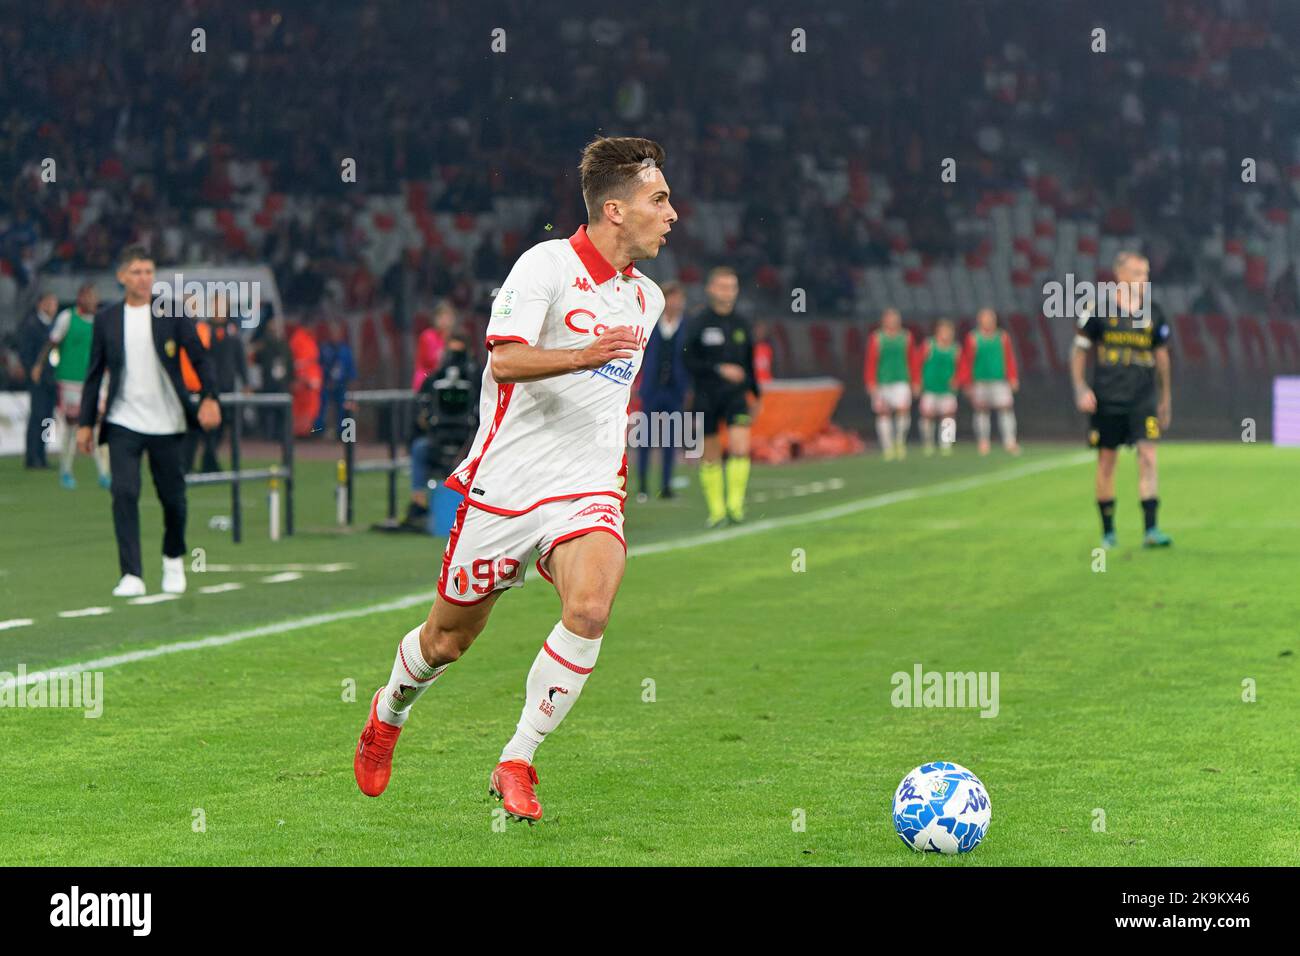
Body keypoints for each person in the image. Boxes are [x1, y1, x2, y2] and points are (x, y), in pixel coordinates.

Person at [353, 136, 675, 824]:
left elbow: (610, 401)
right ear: (614, 210)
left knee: (590, 608)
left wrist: (612, 478)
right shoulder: (545, 266)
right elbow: (505, 363)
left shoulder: (647, 299)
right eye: (659, 199)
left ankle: (518, 758)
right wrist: (583, 353)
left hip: (586, 489)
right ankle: (387, 713)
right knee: (448, 641)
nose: (672, 213)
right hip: (506, 487)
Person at [77, 245, 222, 597]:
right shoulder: (107, 319)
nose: (144, 278)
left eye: (149, 271)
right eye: (137, 272)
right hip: (123, 419)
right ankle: (131, 574)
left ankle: (173, 559)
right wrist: (85, 423)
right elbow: (94, 374)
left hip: (168, 421)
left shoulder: (170, 312)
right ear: (122, 277)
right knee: (123, 492)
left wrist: (210, 397)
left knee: (173, 499)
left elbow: (199, 358)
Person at [1071, 250, 1173, 549]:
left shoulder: (1154, 312)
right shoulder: (1097, 311)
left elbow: (1162, 358)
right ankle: (1108, 532)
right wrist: (1080, 388)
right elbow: (1078, 351)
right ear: (1121, 276)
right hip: (1108, 399)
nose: (1145, 280)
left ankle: (1151, 530)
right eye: (1139, 273)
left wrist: (1166, 397)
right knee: (1106, 461)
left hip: (1144, 400)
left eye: (1147, 274)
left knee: (1149, 457)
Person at [682, 266, 760, 527]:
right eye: (723, 287)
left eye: (733, 287)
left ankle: (735, 507)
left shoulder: (742, 323)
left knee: (740, 448)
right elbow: (688, 360)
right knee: (711, 454)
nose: (729, 293)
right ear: (711, 289)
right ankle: (716, 512)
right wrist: (718, 369)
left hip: (736, 396)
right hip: (706, 395)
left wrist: (756, 394)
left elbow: (750, 363)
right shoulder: (698, 323)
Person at [398, 328, 480, 531]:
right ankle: (419, 503)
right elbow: (421, 412)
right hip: (437, 440)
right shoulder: (435, 379)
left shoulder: (477, 378)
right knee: (419, 448)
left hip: (470, 441)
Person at [35, 284, 111, 487]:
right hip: (70, 381)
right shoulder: (67, 318)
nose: (93, 300)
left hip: (95, 380)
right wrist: (39, 365)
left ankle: (104, 473)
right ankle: (66, 471)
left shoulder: (101, 321)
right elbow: (52, 343)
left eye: (95, 296)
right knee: (71, 426)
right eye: (89, 296)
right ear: (80, 298)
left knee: (97, 426)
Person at [636, 279, 689, 502]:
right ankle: (642, 487)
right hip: (652, 388)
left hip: (674, 390)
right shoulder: (650, 322)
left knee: (670, 441)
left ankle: (666, 487)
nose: (674, 302)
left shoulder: (687, 325)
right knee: (645, 439)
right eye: (670, 297)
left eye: (677, 298)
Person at [958, 307, 1020, 456]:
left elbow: (1009, 358)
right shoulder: (973, 338)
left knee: (1005, 409)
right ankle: (983, 442)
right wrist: (966, 382)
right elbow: (966, 361)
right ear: (979, 320)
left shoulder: (1002, 337)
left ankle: (1010, 441)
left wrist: (1012, 377)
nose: (988, 321)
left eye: (990, 318)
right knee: (981, 411)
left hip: (999, 380)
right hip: (980, 381)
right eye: (985, 318)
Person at [864, 307, 916, 461]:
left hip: (901, 379)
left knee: (903, 411)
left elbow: (912, 360)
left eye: (895, 318)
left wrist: (915, 380)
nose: (892, 321)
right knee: (883, 413)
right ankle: (887, 446)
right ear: (883, 321)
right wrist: (870, 381)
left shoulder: (906, 337)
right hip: (882, 382)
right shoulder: (877, 338)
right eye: (889, 318)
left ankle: (900, 441)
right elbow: (871, 361)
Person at [17, 292, 59, 469]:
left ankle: (41, 455)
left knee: (46, 419)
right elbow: (25, 352)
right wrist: (31, 370)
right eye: (50, 302)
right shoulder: (32, 325)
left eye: (55, 303)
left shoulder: (52, 326)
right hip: (38, 379)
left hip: (51, 379)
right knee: (38, 416)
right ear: (41, 304)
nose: (53, 307)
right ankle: (32, 457)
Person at [915, 318, 960, 457]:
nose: (946, 334)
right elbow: (917, 363)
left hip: (947, 388)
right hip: (930, 387)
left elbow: (963, 367)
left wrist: (957, 380)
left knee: (948, 416)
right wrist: (917, 381)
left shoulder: (956, 349)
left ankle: (946, 445)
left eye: (948, 331)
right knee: (927, 416)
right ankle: (928, 443)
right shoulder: (929, 345)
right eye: (943, 331)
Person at [314, 318, 355, 437]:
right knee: (321, 407)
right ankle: (318, 432)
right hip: (326, 383)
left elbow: (351, 369)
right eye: (332, 332)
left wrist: (352, 384)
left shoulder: (345, 350)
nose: (335, 335)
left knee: (343, 408)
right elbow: (319, 365)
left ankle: (342, 433)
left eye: (337, 332)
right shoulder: (324, 348)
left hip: (341, 384)